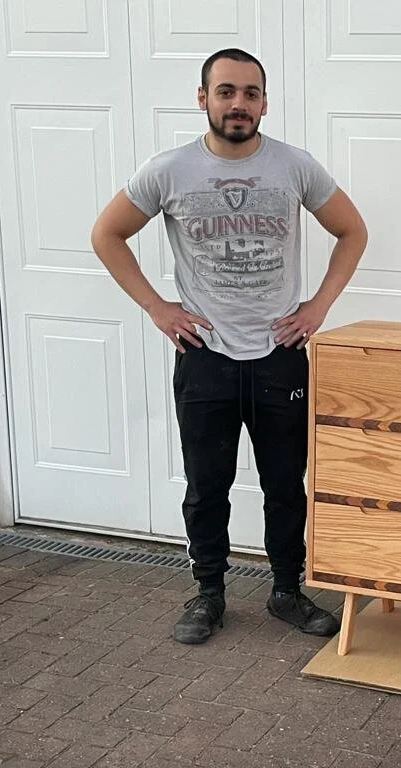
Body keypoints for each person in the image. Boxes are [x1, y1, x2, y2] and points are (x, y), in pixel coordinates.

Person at [90, 48, 367, 645]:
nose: (238, 104)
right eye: (226, 92)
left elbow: (352, 230)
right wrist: (158, 308)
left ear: (264, 102)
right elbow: (107, 234)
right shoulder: (168, 171)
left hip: (278, 356)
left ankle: (287, 592)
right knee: (206, 484)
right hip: (206, 357)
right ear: (203, 99)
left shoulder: (295, 167)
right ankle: (207, 594)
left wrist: (317, 308)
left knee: (285, 484)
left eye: (250, 93)